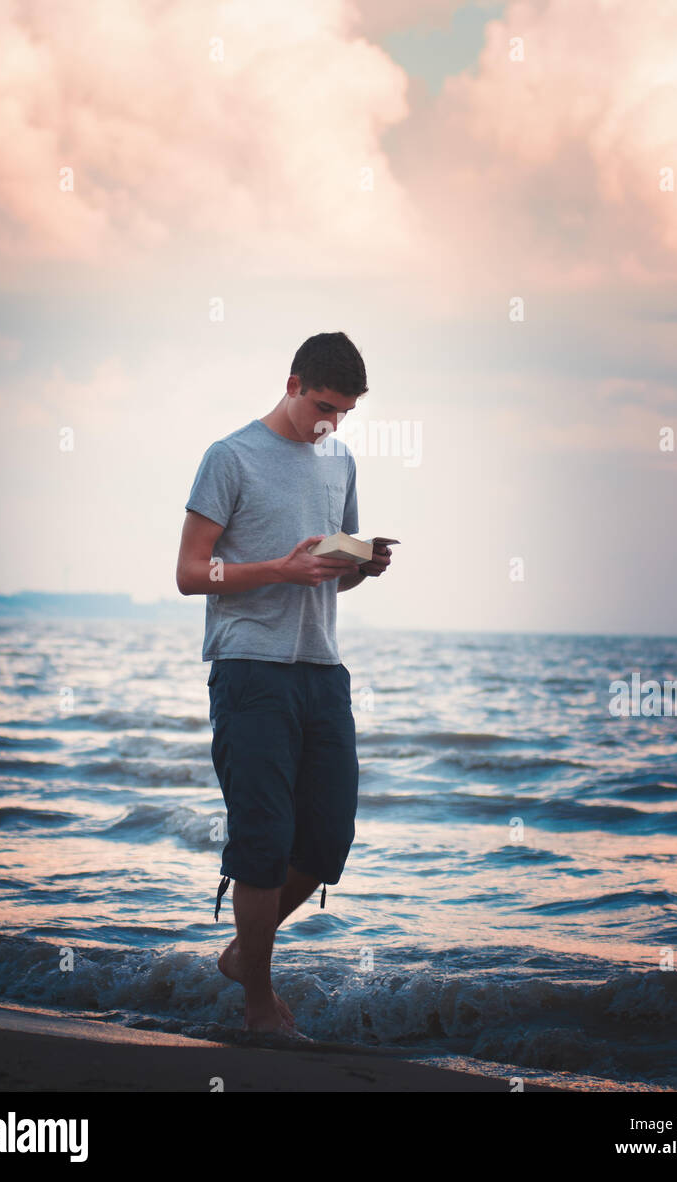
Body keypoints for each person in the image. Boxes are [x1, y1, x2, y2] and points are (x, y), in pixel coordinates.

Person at [176, 331, 392, 1036]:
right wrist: (279, 569)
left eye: (345, 412)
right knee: (263, 840)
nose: (330, 422)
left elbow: (336, 569)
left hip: (322, 669)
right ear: (293, 382)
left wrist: (361, 565)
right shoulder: (229, 457)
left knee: (327, 841)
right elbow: (189, 573)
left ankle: (245, 955)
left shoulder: (340, 460)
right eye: (324, 405)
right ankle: (259, 1008)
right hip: (250, 669)